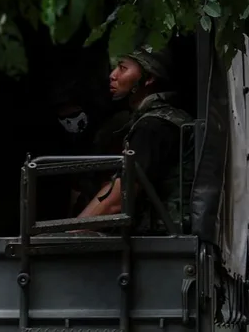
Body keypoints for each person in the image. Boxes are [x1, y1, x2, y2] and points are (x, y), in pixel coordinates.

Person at [77, 45, 201, 233]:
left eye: (123, 68)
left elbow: (118, 200)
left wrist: (71, 233)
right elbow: (116, 189)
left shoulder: (154, 126)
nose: (112, 75)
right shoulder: (162, 119)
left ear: (149, 78)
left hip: (161, 239)